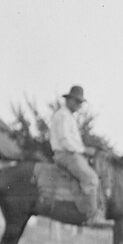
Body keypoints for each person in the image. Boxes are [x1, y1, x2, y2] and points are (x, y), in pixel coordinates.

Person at [49, 85, 105, 226]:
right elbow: (65, 141)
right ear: (69, 100)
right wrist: (84, 150)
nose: (79, 105)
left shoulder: (68, 117)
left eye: (80, 102)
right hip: (66, 155)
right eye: (77, 102)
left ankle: (96, 209)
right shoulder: (62, 116)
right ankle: (92, 216)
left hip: (72, 154)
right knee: (91, 178)